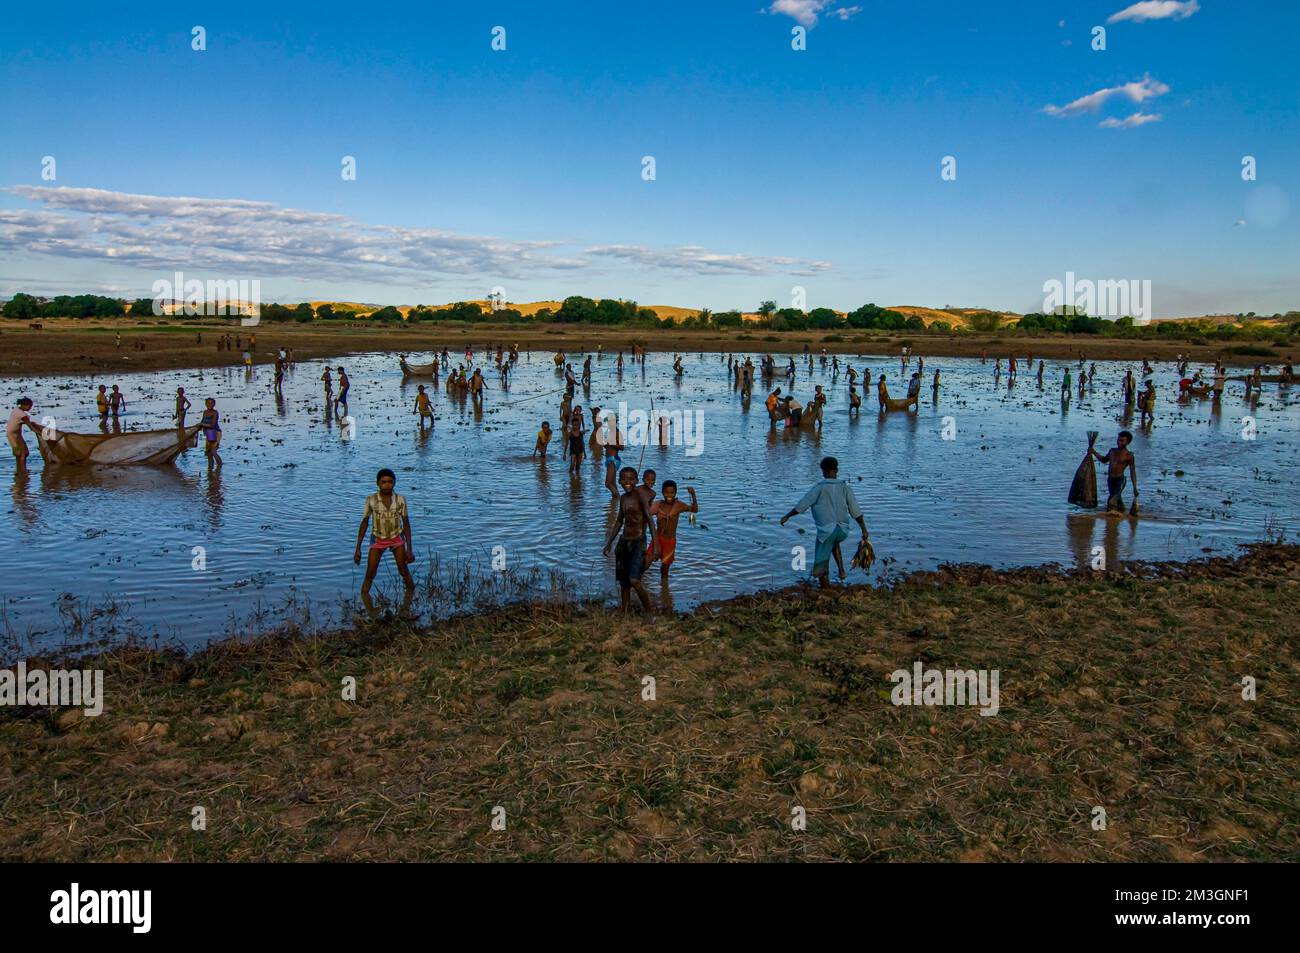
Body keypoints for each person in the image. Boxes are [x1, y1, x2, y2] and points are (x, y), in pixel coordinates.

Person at [780, 456, 870, 588]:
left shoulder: (819, 488)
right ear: (836, 470)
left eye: (823, 471)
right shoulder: (845, 488)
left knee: (822, 556)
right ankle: (841, 570)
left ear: (824, 471)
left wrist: (787, 516)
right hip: (843, 530)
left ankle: (825, 586)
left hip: (827, 531)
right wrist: (864, 530)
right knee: (833, 542)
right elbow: (856, 512)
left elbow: (802, 505)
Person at [603, 466, 658, 613]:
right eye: (623, 479)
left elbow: (650, 521)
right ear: (619, 481)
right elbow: (619, 521)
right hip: (623, 543)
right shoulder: (623, 498)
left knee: (634, 580)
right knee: (624, 582)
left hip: (638, 542)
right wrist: (609, 543)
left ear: (636, 481)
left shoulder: (641, 497)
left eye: (630, 479)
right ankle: (625, 611)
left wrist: (656, 546)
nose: (626, 482)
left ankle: (649, 612)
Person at [354, 468, 415, 598]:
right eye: (383, 482)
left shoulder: (400, 499)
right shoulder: (371, 500)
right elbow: (364, 522)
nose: (387, 485)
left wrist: (409, 549)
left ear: (394, 483)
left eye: (390, 482)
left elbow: (406, 523)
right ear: (378, 483)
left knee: (403, 570)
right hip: (377, 539)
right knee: (370, 574)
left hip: (396, 538)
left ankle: (411, 596)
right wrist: (358, 548)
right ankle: (365, 600)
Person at [648, 481, 698, 581]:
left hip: (670, 540)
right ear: (662, 493)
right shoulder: (658, 504)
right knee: (647, 561)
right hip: (657, 538)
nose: (669, 495)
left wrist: (693, 495)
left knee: (665, 568)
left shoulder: (678, 505)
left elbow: (694, 510)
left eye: (672, 493)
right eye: (666, 492)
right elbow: (647, 515)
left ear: (675, 493)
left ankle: (664, 590)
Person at [1091, 431, 1138, 513]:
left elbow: (1132, 472)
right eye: (1118, 440)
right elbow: (1104, 460)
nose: (1119, 442)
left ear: (1128, 442)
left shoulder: (1129, 455)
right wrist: (1094, 452)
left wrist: (1134, 487)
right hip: (1110, 479)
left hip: (1119, 480)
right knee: (1117, 500)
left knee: (1111, 501)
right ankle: (1124, 515)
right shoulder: (1112, 451)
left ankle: (1112, 520)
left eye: (1122, 441)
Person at [6, 398, 40, 469]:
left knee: (24, 452)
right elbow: (30, 426)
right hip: (13, 434)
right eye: (30, 406)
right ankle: (21, 469)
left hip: (16, 433)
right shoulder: (21, 414)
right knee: (21, 453)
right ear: (26, 405)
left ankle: (20, 467)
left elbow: (20, 421)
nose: (30, 408)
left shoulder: (16, 410)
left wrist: (32, 423)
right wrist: (38, 432)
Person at [199, 398, 223, 469]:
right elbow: (202, 421)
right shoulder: (205, 412)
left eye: (211, 403)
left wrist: (201, 424)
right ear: (205, 404)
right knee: (209, 453)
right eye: (208, 403)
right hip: (208, 433)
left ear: (214, 404)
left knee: (213, 451)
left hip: (215, 432)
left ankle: (219, 468)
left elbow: (212, 425)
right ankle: (210, 470)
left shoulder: (215, 412)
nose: (210, 405)